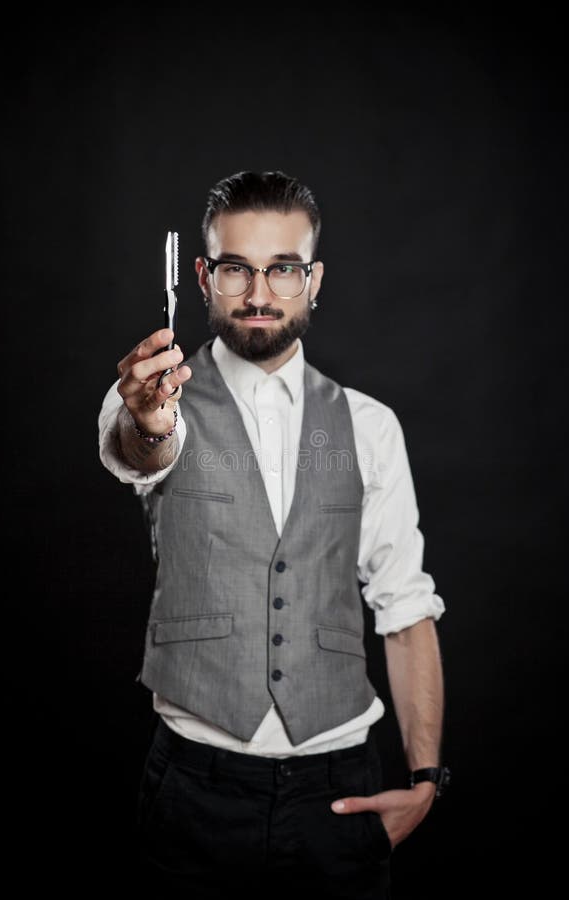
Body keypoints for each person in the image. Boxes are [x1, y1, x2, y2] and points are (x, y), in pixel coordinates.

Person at [97, 170, 448, 899]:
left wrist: (425, 779)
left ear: (313, 279)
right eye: (236, 268)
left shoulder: (368, 425)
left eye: (282, 268)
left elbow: (405, 609)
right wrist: (151, 423)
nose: (259, 293)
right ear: (202, 275)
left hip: (340, 787)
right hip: (195, 791)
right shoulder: (158, 397)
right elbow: (141, 450)